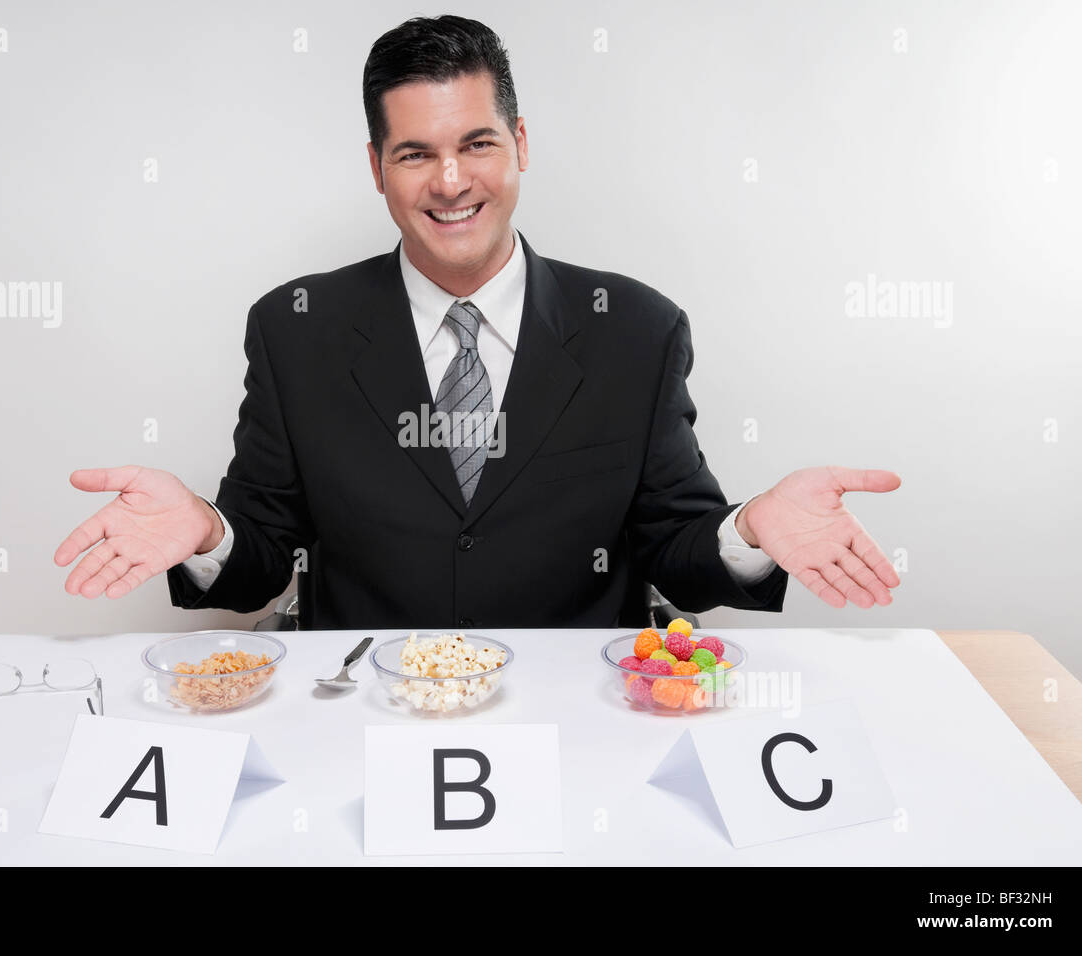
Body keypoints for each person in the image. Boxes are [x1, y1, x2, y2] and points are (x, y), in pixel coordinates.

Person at [54, 15, 901, 628]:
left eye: (479, 144)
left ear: (521, 144)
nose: (451, 181)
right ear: (377, 169)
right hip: (364, 719)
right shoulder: (295, 328)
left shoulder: (636, 329)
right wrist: (207, 529)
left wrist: (749, 528)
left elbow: (674, 550)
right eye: (415, 153)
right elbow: (262, 562)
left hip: (579, 722)